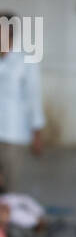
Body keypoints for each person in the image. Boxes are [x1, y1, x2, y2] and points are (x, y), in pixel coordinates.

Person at [0, 12, 45, 193]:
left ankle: (6, 220)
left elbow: (34, 96)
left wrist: (37, 133)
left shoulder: (26, 59)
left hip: (13, 132)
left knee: (9, 186)